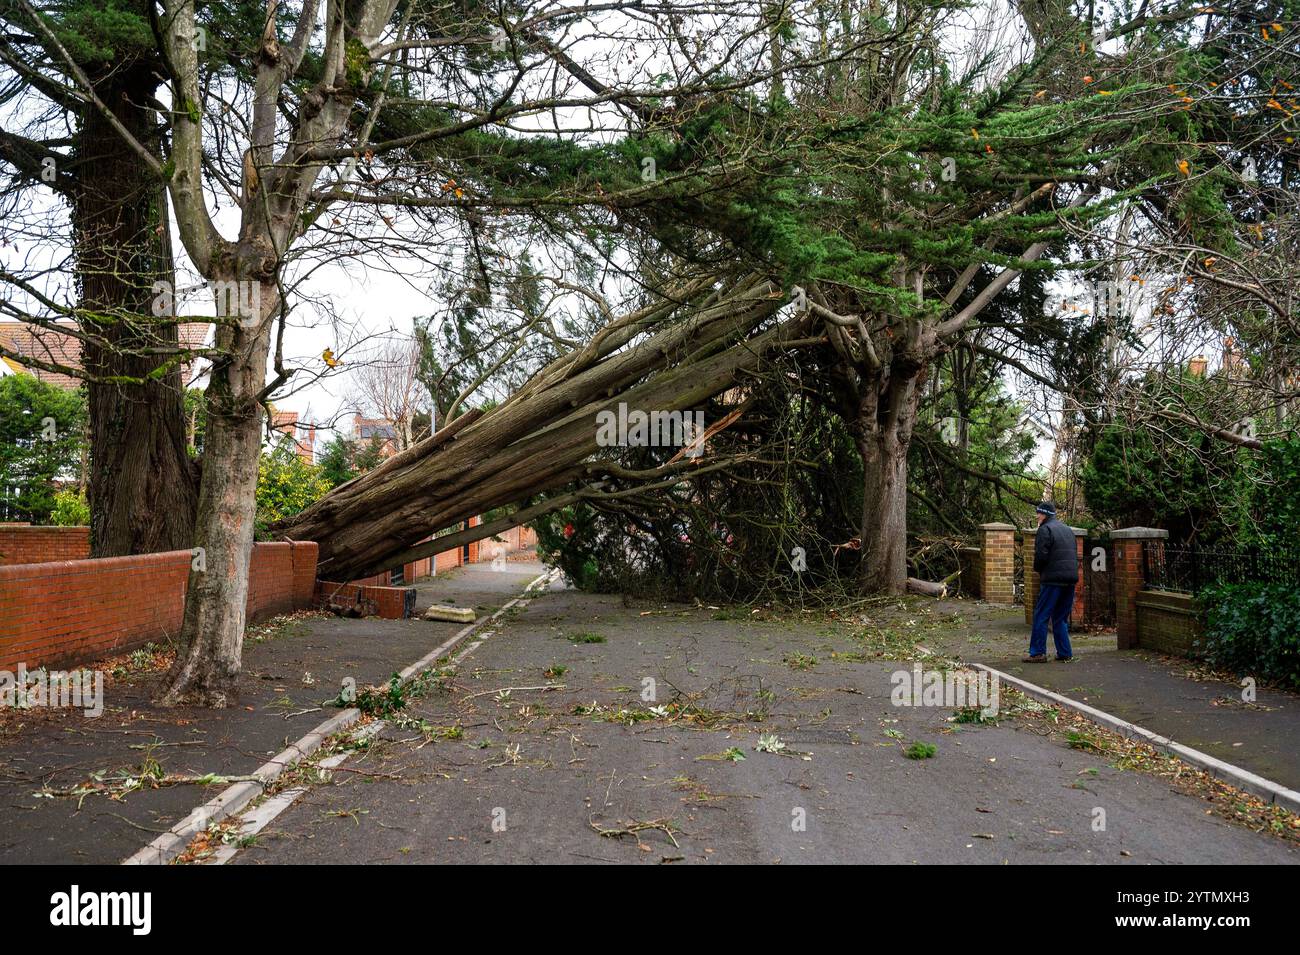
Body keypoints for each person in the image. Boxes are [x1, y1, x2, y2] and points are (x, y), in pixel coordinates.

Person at [1024, 501, 1077, 662]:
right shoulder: (1067, 529)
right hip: (1071, 579)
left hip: (1053, 579)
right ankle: (1065, 652)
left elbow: (1041, 555)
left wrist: (1039, 570)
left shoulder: (1045, 529)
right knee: (1060, 617)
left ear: (1045, 514)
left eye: (1038, 513)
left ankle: (1038, 653)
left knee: (1041, 615)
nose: (1037, 516)